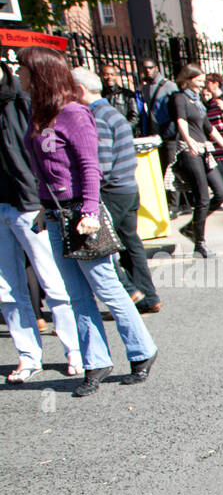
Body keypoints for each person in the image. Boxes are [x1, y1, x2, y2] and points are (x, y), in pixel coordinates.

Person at [19, 46, 158, 397]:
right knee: (74, 294)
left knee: (107, 289)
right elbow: (45, 170)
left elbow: (89, 167)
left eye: (23, 70)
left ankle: (142, 352)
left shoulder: (75, 114)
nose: (18, 76)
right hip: (54, 213)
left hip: (81, 212)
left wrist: (91, 212)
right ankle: (95, 362)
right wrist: (41, 207)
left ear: (41, 75)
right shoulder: (39, 115)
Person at [0, 60, 81, 382]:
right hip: (3, 205)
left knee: (53, 282)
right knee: (6, 289)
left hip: (28, 204)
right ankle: (28, 356)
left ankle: (75, 350)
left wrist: (40, 200)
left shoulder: (22, 98)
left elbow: (42, 153)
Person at [71, 67, 163, 315]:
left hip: (111, 191)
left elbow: (101, 164)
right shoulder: (112, 112)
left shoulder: (96, 117)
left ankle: (130, 293)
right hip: (128, 189)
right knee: (131, 244)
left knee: (101, 245)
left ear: (80, 90)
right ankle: (148, 297)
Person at [171, 64, 223, 258]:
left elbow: (208, 127)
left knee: (222, 192)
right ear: (189, 79)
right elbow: (181, 120)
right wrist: (189, 140)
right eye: (199, 80)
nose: (203, 85)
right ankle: (199, 244)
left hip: (205, 150)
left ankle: (192, 227)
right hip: (189, 151)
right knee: (202, 197)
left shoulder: (198, 100)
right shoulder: (180, 98)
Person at [140, 57, 179, 214]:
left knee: (171, 169)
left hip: (169, 134)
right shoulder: (145, 87)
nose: (147, 71)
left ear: (157, 68)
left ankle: (174, 205)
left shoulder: (169, 86)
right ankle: (168, 203)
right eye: (145, 68)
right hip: (154, 134)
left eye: (150, 67)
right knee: (161, 170)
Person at [99, 62, 142, 136]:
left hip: (125, 133)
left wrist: (123, 129)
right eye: (106, 74)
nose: (109, 77)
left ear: (116, 76)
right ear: (101, 76)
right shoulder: (99, 95)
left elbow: (135, 116)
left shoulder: (127, 94)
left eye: (112, 74)